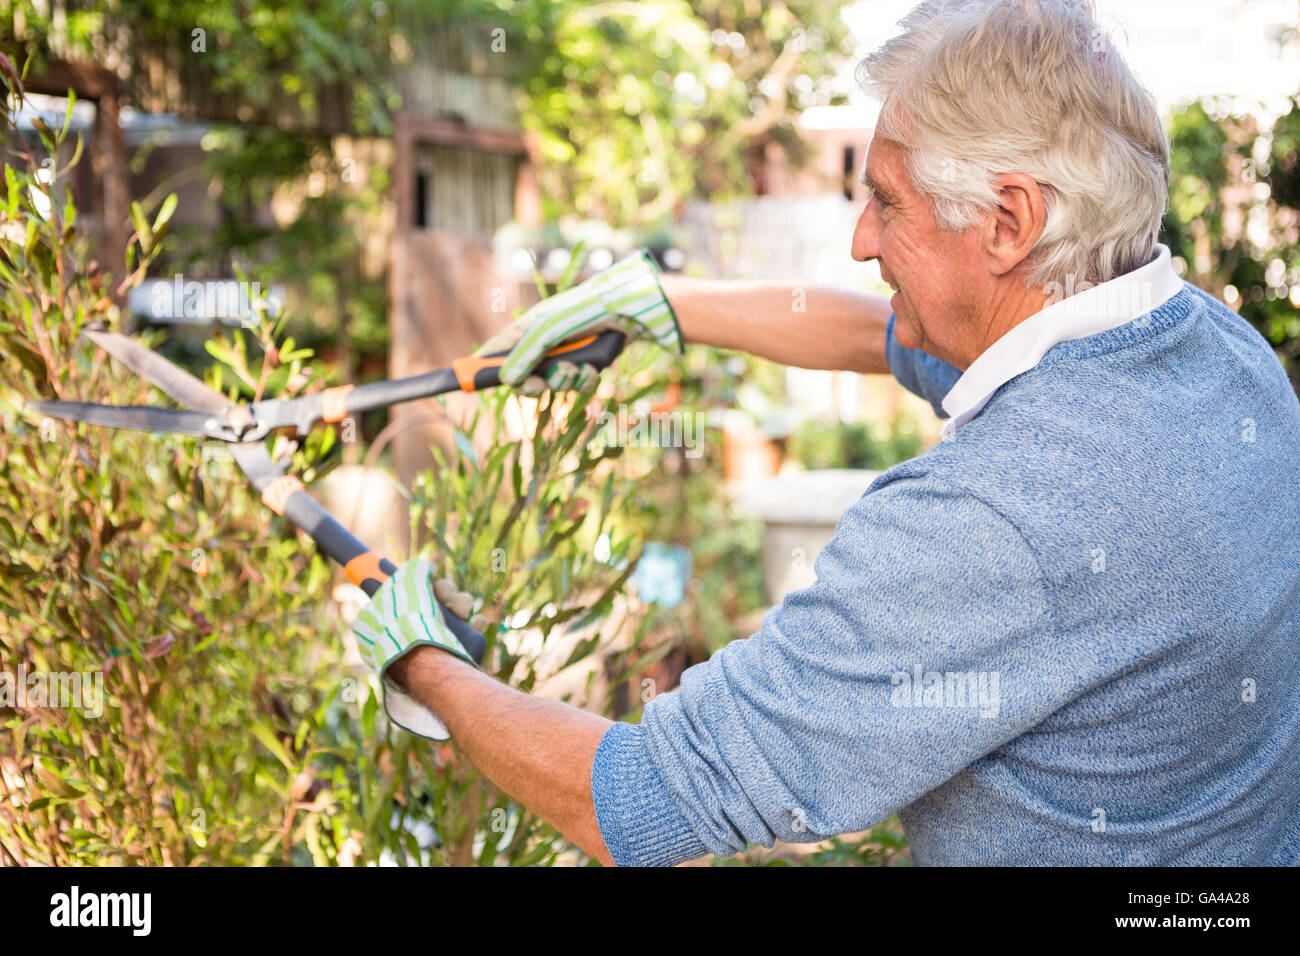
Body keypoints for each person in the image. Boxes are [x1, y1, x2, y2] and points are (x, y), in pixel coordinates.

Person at [349, 0, 1300, 866]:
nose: (858, 238)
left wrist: (421, 660)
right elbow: (893, 337)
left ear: (1009, 222)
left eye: (885, 198)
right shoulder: (1221, 355)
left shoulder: (988, 522)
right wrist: (664, 303)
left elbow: (635, 801)